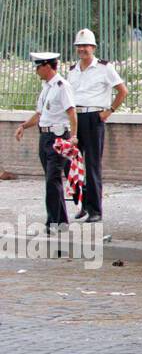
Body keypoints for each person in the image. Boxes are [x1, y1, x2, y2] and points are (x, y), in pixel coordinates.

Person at [65, 29, 127, 224]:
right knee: (71, 163)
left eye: (86, 46)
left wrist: (110, 110)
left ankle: (95, 210)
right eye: (79, 46)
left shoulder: (104, 68)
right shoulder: (72, 70)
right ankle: (82, 203)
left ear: (93, 48)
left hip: (94, 117)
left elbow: (123, 91)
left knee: (91, 165)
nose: (82, 49)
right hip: (76, 118)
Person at [13, 53, 78, 230]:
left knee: (53, 180)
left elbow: (72, 113)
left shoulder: (62, 86)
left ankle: (53, 222)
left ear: (47, 66)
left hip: (58, 138)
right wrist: (24, 126)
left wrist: (73, 137)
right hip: (45, 138)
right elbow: (40, 114)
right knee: (52, 180)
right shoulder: (47, 88)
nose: (36, 71)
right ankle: (61, 221)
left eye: (38, 67)